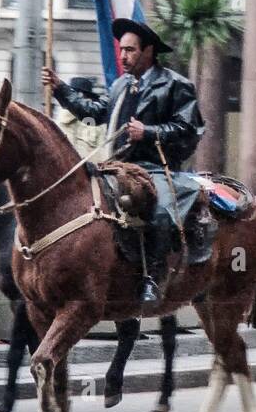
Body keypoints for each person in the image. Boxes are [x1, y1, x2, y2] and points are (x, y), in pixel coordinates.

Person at [43, 18, 206, 305]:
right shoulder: (120, 84)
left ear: (149, 51)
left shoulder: (176, 85)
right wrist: (60, 89)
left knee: (159, 212)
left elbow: (189, 128)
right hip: (116, 167)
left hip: (155, 168)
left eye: (130, 50)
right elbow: (92, 113)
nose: (123, 56)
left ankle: (154, 279)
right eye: (121, 50)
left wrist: (148, 132)